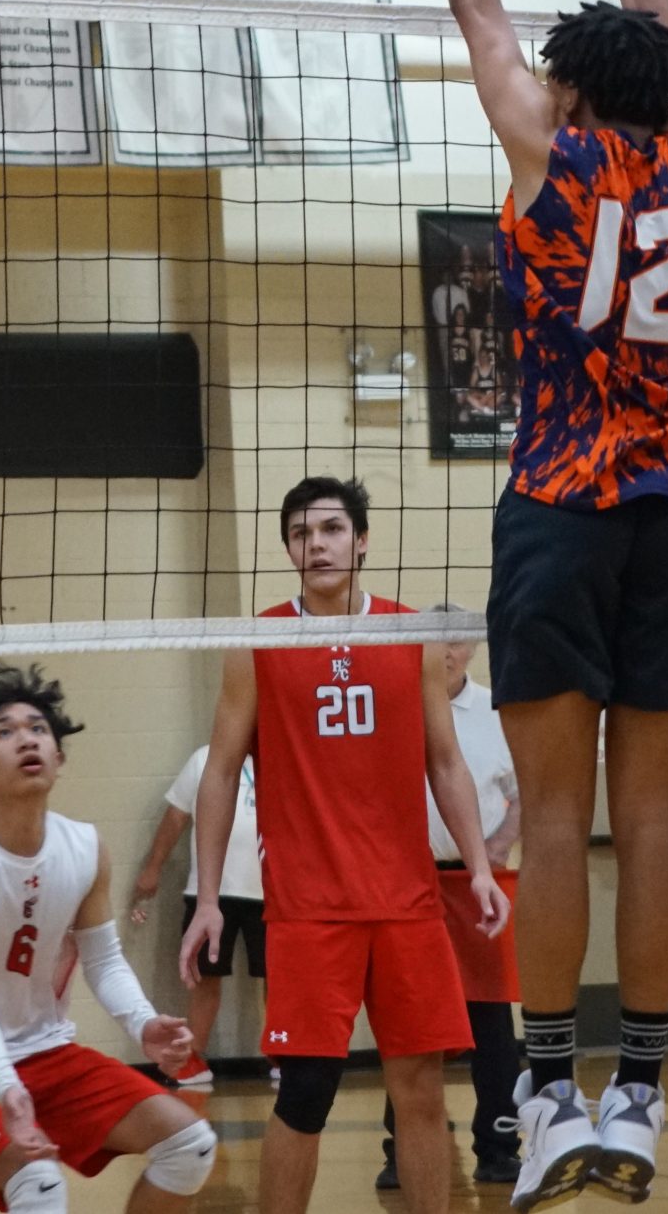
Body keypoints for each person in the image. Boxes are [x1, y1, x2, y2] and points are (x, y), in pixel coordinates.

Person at [375, 0, 668, 1211]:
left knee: (555, 802)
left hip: (559, 505)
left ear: (573, 84)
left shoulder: (544, 143)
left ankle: (541, 1082)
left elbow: (472, 1)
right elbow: (661, 25)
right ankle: (642, 1091)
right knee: (650, 815)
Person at [180, 475, 508, 1214]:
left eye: (330, 528)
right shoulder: (259, 641)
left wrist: (481, 866)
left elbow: (446, 761)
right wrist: (205, 897)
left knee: (420, 1088)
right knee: (305, 1091)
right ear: (289, 549)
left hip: (407, 903)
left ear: (361, 539)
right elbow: (220, 770)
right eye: (301, 533)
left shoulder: (410, 635)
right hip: (307, 907)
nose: (316, 543)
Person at [0, 665, 216, 1214]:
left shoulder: (83, 847)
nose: (27, 739)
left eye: (38, 728)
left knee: (190, 1144)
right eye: (4, 732)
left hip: (47, 1049)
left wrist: (144, 1023)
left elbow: (103, 959)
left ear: (58, 755)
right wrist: (7, 1089)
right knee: (39, 1185)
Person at [377, 630, 524, 1189]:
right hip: (406, 883)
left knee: (489, 1021)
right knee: (410, 1022)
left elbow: (529, 790)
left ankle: (499, 1147)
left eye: (448, 645)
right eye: (428, 643)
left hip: (474, 882)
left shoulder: (494, 711)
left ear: (465, 653)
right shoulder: (395, 703)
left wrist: (499, 842)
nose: (437, 654)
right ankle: (403, 1151)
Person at [128, 741, 260, 1087]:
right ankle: (191, 1059)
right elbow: (175, 817)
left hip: (274, 893)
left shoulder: (285, 758)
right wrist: (152, 867)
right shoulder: (204, 760)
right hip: (209, 895)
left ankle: (284, 1057)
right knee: (204, 980)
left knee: (280, 981)